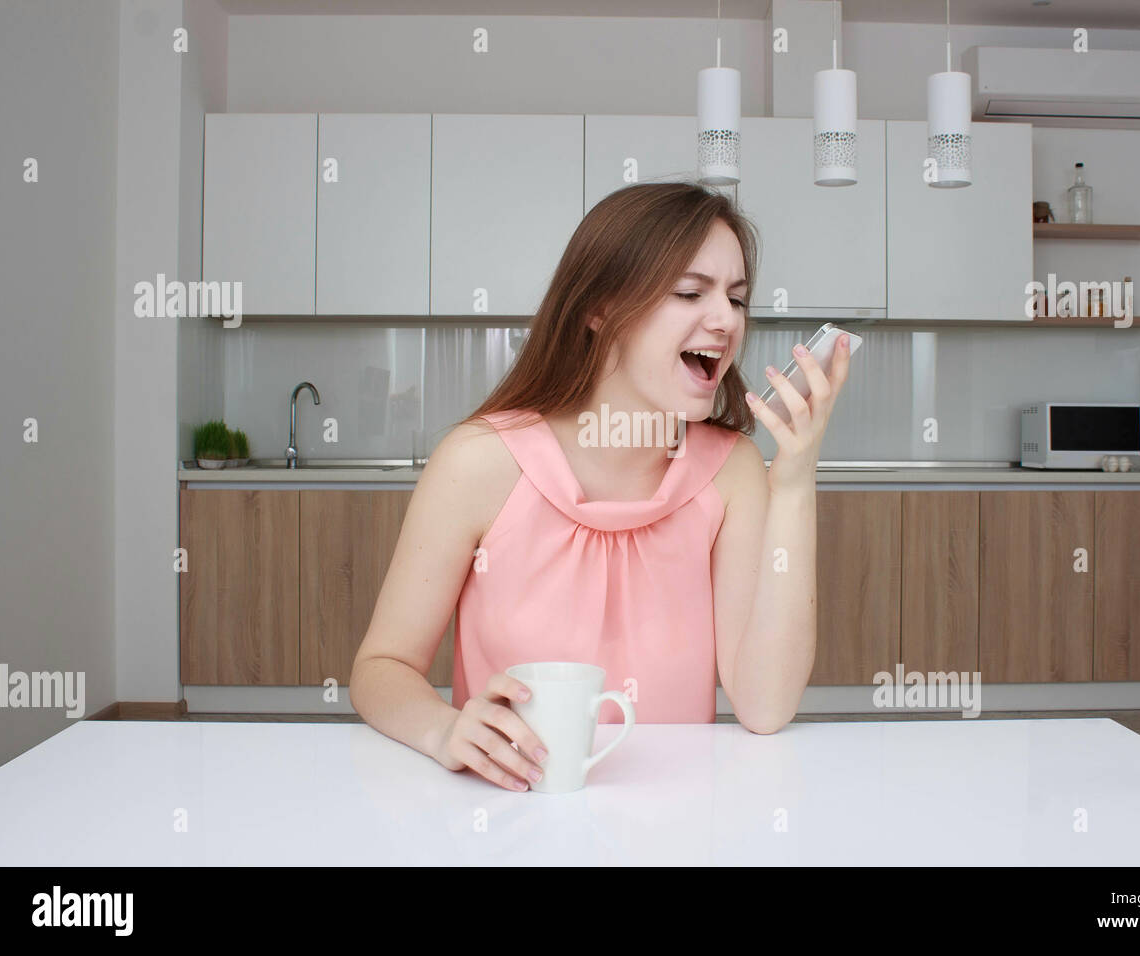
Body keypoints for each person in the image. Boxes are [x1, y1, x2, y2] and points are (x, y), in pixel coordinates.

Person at [351, 182, 852, 791]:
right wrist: (442, 730)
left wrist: (795, 481)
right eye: (691, 292)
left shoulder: (733, 471)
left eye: (738, 299)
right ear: (600, 309)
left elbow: (765, 706)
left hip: (679, 825)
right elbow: (382, 667)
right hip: (512, 815)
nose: (725, 321)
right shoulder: (479, 462)